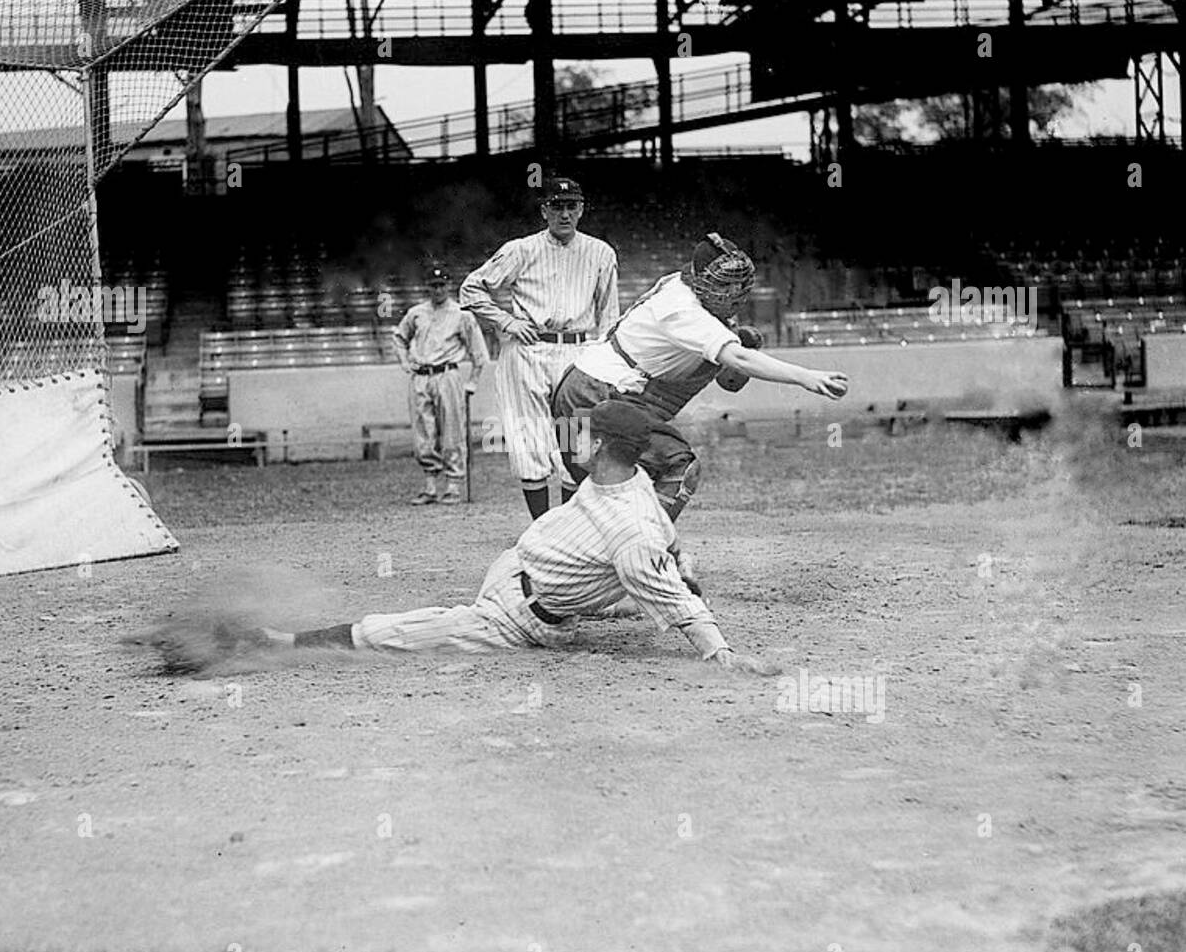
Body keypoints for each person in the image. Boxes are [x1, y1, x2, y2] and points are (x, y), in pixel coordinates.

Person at [238, 402, 766, 673]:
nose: (572, 436)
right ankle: (615, 602)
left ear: (602, 444)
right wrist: (679, 563)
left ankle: (283, 643)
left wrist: (720, 653)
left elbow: (675, 597)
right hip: (513, 566)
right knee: (639, 585)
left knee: (411, 632)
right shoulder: (632, 478)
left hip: (515, 620)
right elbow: (667, 544)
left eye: (583, 430)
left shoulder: (631, 532)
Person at [553, 233, 849, 520]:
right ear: (698, 279)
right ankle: (646, 547)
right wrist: (806, 377)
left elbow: (729, 381)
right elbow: (739, 359)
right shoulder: (683, 308)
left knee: (602, 491)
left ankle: (574, 553)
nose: (732, 293)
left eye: (738, 284)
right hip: (596, 394)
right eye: (723, 284)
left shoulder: (689, 292)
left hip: (579, 390)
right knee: (677, 466)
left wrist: (732, 345)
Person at [459, 176, 618, 520]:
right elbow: (471, 289)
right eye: (557, 206)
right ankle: (542, 529)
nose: (565, 214)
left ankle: (568, 528)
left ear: (582, 209)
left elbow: (608, 315)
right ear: (544, 210)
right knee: (528, 439)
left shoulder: (601, 252)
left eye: (571, 206)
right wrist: (507, 321)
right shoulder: (521, 249)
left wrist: (605, 364)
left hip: (577, 352)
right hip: (528, 350)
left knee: (575, 443)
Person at [391, 264, 488, 506]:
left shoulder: (462, 314)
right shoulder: (416, 313)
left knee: (452, 431)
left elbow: (479, 353)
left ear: (449, 285)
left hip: (448, 375)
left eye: (442, 285)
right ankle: (430, 485)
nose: (437, 290)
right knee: (424, 432)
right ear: (427, 287)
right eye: (433, 286)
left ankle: (453, 484)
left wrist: (472, 382)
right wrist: (405, 363)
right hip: (421, 376)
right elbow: (399, 337)